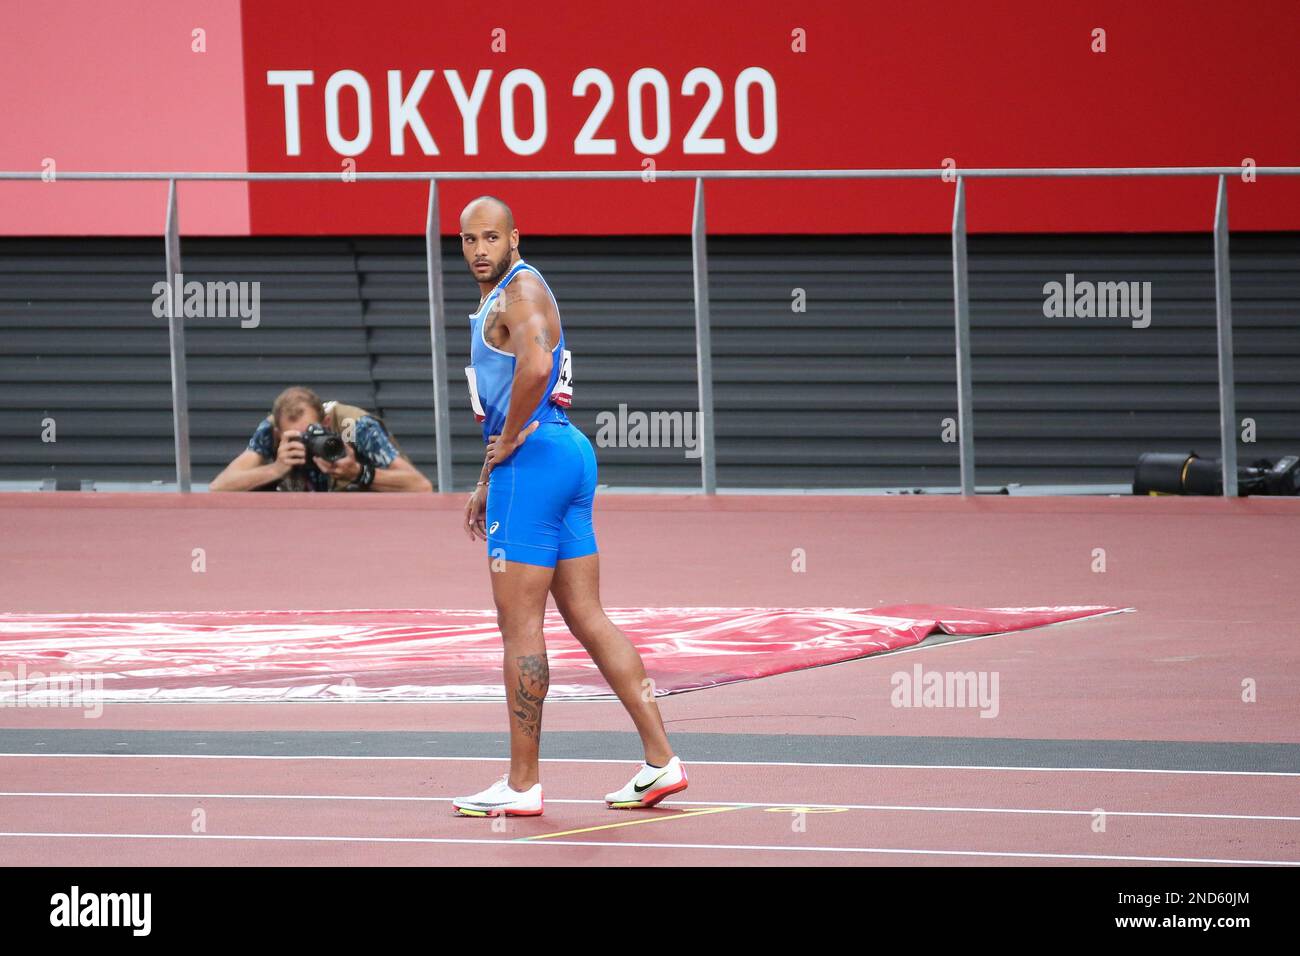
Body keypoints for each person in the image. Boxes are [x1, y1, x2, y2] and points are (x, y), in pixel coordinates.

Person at [451, 196, 686, 817]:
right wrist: (488, 471)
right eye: (469, 240)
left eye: (490, 238)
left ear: (514, 238)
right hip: (565, 454)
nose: (479, 250)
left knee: (520, 627)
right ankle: (662, 761)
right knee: (587, 614)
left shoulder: (516, 296)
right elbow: (523, 390)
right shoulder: (516, 292)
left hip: (536, 463)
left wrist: (505, 445)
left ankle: (522, 783)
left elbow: (534, 367)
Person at [209, 386, 433, 493]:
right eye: (297, 437)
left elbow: (420, 486)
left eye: (311, 433)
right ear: (278, 433)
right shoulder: (270, 430)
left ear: (326, 423)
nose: (306, 442)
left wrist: (358, 472)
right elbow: (219, 487)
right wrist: (275, 469)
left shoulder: (355, 426)